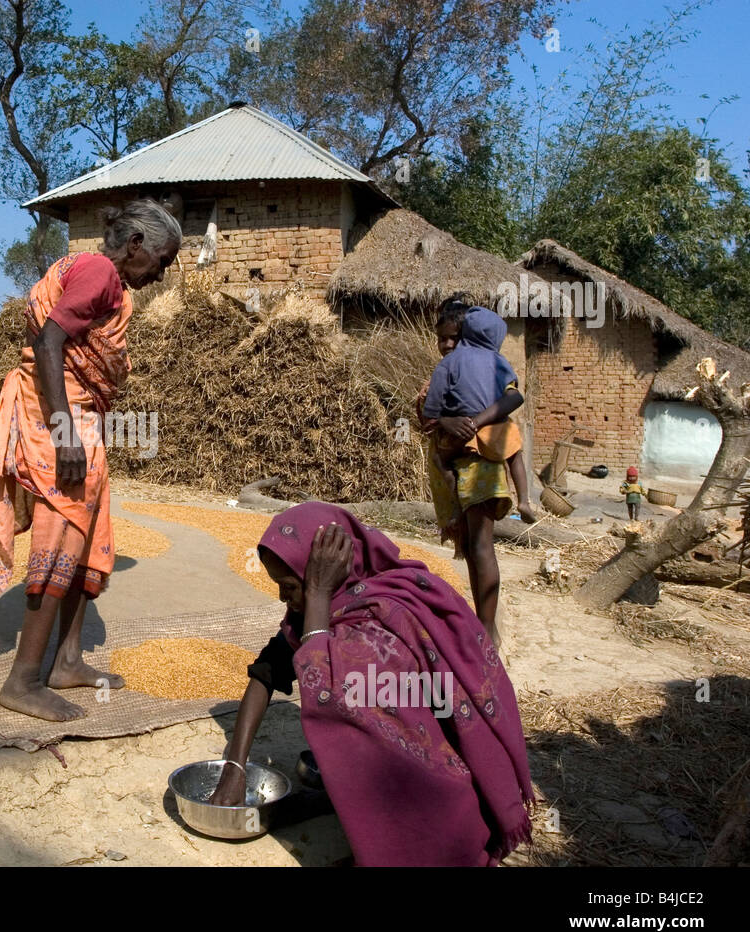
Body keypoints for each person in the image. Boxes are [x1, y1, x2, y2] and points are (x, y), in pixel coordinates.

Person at [209, 502, 534, 866]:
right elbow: (266, 671)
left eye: (288, 587)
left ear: (324, 574)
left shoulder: (381, 621)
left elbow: (331, 698)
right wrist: (235, 766)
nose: (284, 598)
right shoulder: (325, 608)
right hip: (396, 756)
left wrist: (317, 595)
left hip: (435, 787)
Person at [0, 199, 182, 721]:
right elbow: (49, 342)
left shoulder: (84, 268)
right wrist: (65, 436)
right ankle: (23, 681)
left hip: (75, 417)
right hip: (60, 421)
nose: (160, 274)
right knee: (60, 536)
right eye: (161, 261)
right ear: (136, 244)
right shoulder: (101, 273)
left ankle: (66, 662)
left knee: (84, 536)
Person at [421, 302, 527, 644]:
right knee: (470, 546)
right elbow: (427, 414)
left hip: (477, 462)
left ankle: (487, 628)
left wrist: (469, 422)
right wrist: (449, 420)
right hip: (461, 459)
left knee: (481, 546)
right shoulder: (491, 364)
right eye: (442, 339)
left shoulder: (458, 366)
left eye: (454, 338)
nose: (447, 345)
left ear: (466, 336)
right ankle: (483, 621)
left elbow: (512, 399)